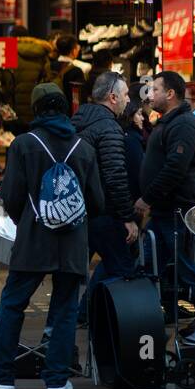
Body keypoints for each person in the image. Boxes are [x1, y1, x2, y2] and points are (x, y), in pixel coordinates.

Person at [0, 84, 104, 389]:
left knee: (14, 304)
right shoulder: (83, 147)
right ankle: (57, 379)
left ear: (37, 109)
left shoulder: (24, 144)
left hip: (33, 239)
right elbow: (97, 203)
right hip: (72, 242)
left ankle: (0, 376)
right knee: (66, 308)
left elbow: (12, 197)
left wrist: (25, 220)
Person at [136, 70, 195, 346]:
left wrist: (147, 198)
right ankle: (148, 327)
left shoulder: (183, 124)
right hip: (163, 212)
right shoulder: (167, 122)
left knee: (189, 272)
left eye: (155, 90)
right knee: (149, 265)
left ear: (170, 94)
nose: (150, 95)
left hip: (177, 212)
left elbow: (175, 167)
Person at [72, 72, 138, 323]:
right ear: (112, 97)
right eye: (124, 95)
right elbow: (115, 176)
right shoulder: (108, 127)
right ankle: (119, 328)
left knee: (71, 276)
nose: (127, 100)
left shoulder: (77, 121)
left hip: (77, 211)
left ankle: (64, 324)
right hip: (102, 213)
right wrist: (127, 217)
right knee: (122, 268)